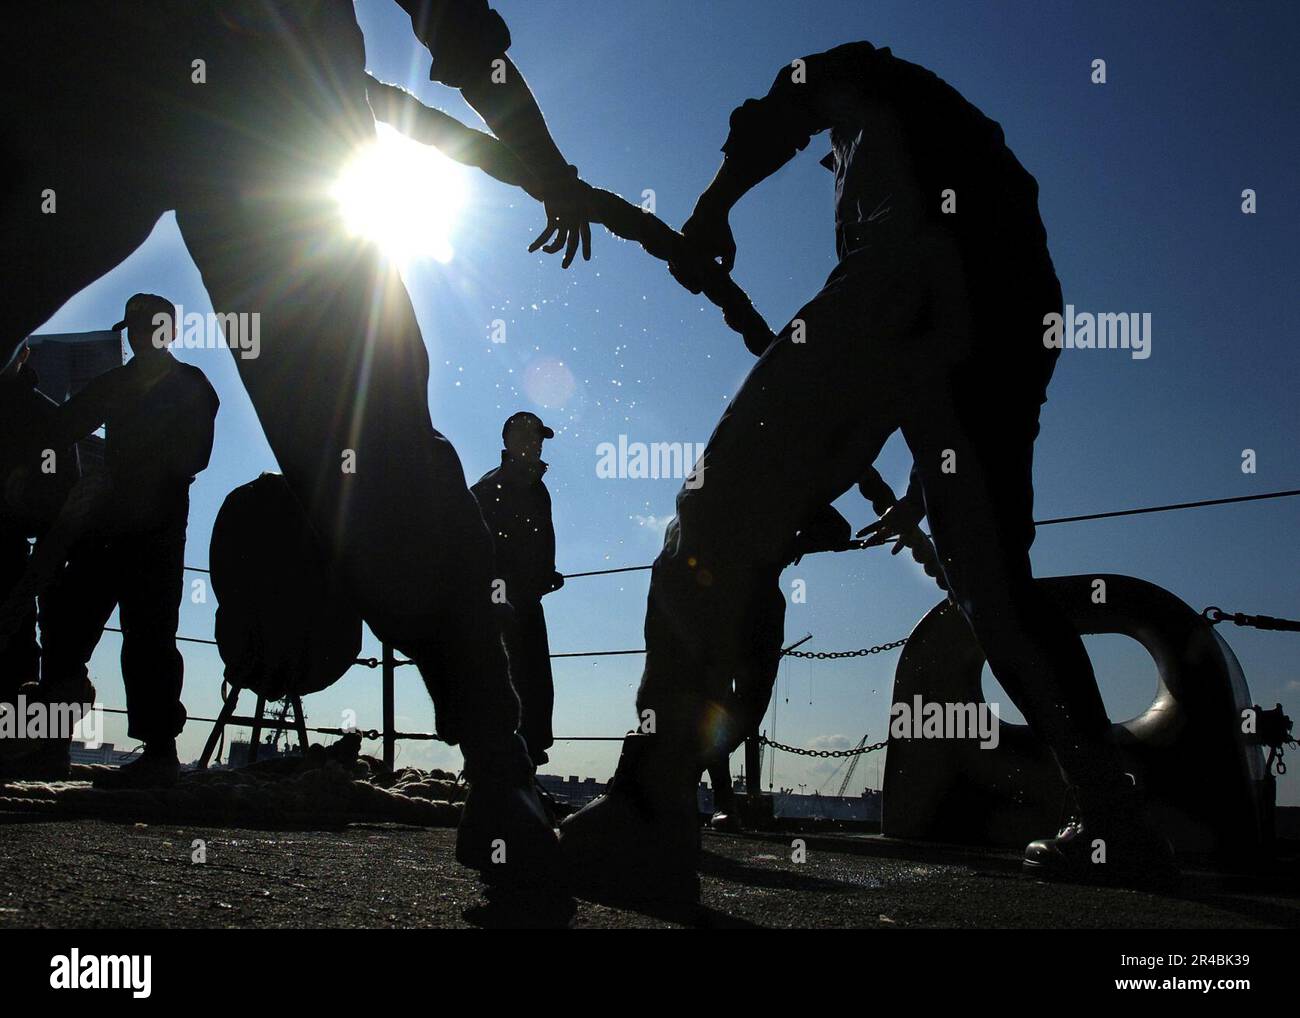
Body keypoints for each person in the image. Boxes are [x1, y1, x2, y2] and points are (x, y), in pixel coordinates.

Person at [561, 41, 1173, 902]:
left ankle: (649, 808)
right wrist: (937, 466)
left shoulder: (865, 85)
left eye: (824, 152)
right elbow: (958, 345)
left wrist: (712, 211)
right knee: (992, 587)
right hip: (1011, 322)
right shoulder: (969, 156)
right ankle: (1115, 815)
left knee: (713, 507)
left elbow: (780, 104)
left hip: (902, 276)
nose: (824, 161)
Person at [3, 1, 594, 882]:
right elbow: (453, 46)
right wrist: (540, 161)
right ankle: (499, 766)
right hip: (147, 77)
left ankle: (498, 764)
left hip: (258, 122)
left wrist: (538, 160)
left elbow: (454, 37)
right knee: (380, 455)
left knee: (378, 456)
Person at [25, 294, 218, 787]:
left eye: (145, 326)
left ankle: (158, 752)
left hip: (153, 530)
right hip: (112, 527)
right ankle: (53, 746)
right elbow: (65, 424)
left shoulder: (191, 385)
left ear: (166, 331)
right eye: (132, 326)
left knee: (148, 638)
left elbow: (195, 458)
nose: (136, 335)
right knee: (68, 628)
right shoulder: (123, 384)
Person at [471, 412, 563, 769]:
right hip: (506, 604)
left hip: (521, 599)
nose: (535, 443)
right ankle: (506, 768)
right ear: (509, 441)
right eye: (528, 437)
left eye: (538, 438)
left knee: (531, 685)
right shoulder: (496, 487)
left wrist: (543, 574)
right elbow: (479, 547)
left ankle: (516, 765)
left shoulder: (531, 487)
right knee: (517, 682)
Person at [0, 343, 74, 705]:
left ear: (24, 353)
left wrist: (29, 488)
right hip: (17, 555)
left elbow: (58, 486)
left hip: (12, 553)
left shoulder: (44, 417)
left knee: (16, 653)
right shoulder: (45, 415)